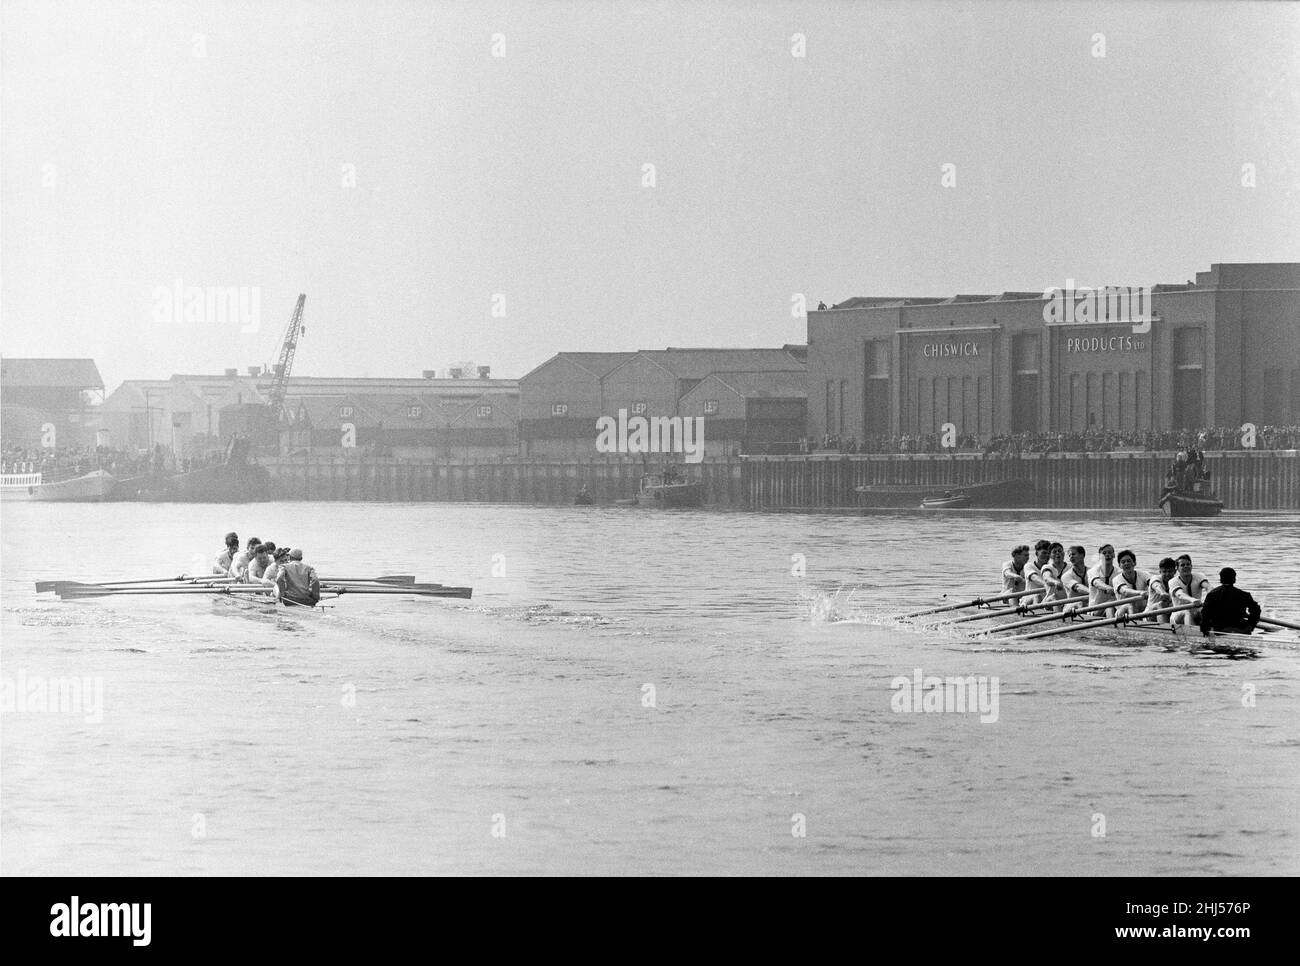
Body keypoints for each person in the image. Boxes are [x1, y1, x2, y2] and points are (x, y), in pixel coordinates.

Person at [1199, 568, 1262, 635]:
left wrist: (1205, 630)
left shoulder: (1212, 595)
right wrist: (1250, 626)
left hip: (1219, 630)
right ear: (1234, 579)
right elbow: (1256, 610)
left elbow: (1205, 614)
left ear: (1220, 579)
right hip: (1240, 629)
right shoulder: (1244, 595)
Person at [1170, 554, 1209, 626]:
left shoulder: (1199, 576)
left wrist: (1213, 595)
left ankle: (1216, 632)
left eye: (1188, 564)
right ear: (1177, 569)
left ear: (1191, 566)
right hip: (1178, 614)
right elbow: (1180, 594)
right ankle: (1192, 635)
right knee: (1187, 612)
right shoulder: (1173, 582)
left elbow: (1208, 587)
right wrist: (1192, 600)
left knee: (1207, 611)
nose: (1186, 566)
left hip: (1196, 611)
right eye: (1182, 565)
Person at [1112, 549, 1150, 620]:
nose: (1126, 564)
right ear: (1120, 566)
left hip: (1143, 611)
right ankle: (1135, 627)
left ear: (1134, 563)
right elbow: (1125, 591)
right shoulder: (1116, 579)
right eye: (1123, 562)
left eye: (1129, 561)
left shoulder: (1144, 574)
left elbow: (1153, 583)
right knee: (1130, 605)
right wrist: (1141, 593)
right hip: (1123, 613)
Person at [1087, 544, 1119, 616]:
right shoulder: (1093, 571)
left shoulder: (1119, 573)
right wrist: (1107, 588)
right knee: (1110, 604)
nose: (1107, 555)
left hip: (1114, 608)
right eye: (1104, 553)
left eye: (1110, 552)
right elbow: (1096, 582)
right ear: (1100, 556)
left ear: (1114, 555)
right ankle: (1113, 625)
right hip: (1094, 611)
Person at [1146, 557, 1179, 623]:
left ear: (1175, 571)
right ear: (1160, 571)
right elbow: (1157, 586)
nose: (1167, 574)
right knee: (1160, 605)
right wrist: (1162, 593)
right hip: (1150, 615)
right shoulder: (1155, 578)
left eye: (1170, 571)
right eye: (1164, 572)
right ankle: (1166, 630)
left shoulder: (1176, 581)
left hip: (1169, 614)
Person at [1060, 545, 1091, 612]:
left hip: (1089, 603)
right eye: (1070, 555)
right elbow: (1078, 587)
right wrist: (1091, 592)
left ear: (1082, 555)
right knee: (1080, 603)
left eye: (1073, 554)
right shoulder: (1066, 576)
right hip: (1070, 606)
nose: (1071, 557)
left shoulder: (1091, 572)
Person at [1023, 540, 1053, 606]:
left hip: (1045, 599)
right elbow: (1034, 577)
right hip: (1029, 599)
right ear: (1036, 553)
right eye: (1044, 553)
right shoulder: (1029, 566)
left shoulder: (1051, 567)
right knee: (1037, 596)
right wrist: (1045, 584)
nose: (1046, 556)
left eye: (1048, 553)